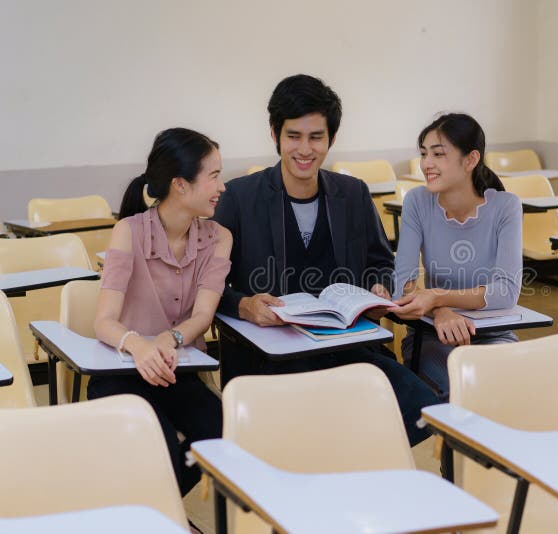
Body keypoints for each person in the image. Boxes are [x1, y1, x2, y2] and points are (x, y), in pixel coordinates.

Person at [213, 74, 437, 446]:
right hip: (269, 361)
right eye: (293, 136)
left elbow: (381, 263)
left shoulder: (353, 194)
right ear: (274, 134)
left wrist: (380, 289)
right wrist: (245, 304)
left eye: (316, 137)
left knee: (425, 412)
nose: (305, 149)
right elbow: (206, 286)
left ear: (331, 138)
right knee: (313, 441)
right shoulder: (237, 198)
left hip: (346, 348)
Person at [92, 127, 232, 497]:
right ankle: (157, 516)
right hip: (120, 372)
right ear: (180, 185)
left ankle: (151, 511)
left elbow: (203, 315)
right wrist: (140, 347)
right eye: (214, 176)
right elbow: (104, 321)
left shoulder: (220, 238)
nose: (223, 187)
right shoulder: (127, 231)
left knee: (222, 434)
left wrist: (170, 340)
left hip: (177, 372)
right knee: (162, 447)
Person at [392, 113, 523, 399]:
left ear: (470, 160)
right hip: (431, 335)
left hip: (494, 334)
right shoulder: (417, 201)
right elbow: (402, 282)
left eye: (438, 154)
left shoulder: (506, 207)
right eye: (424, 154)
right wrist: (440, 311)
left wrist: (437, 297)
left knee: (518, 390)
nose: (426, 164)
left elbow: (506, 293)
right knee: (467, 391)